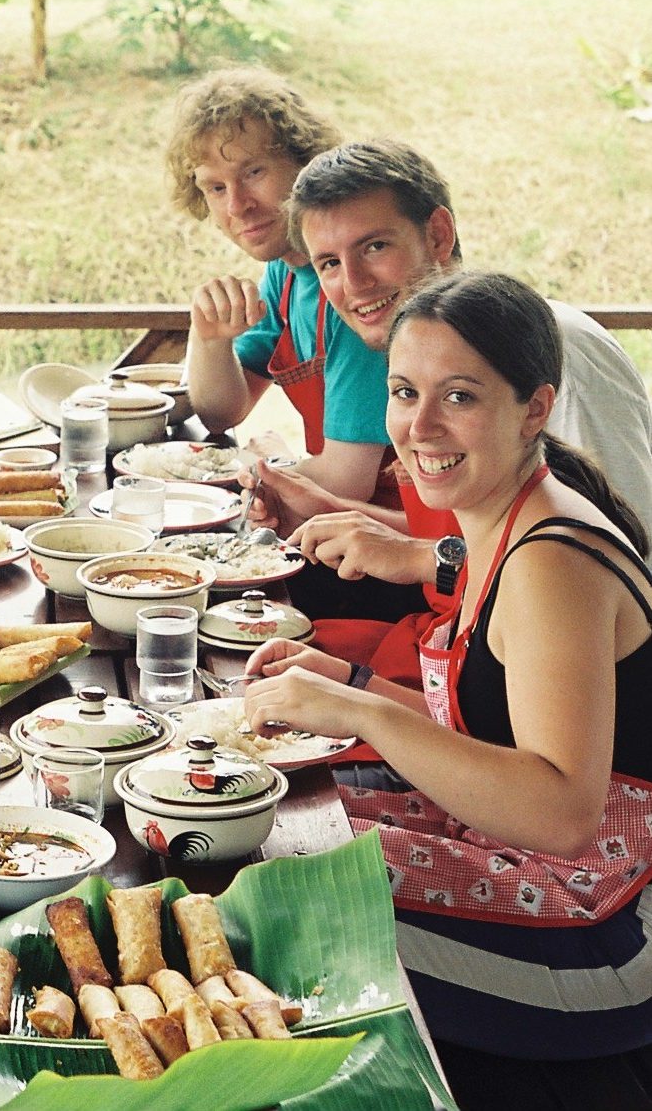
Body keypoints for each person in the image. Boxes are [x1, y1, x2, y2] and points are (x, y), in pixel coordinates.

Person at [242, 272, 652, 1085]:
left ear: (533, 408)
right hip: (535, 861)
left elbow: (562, 810)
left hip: (601, 933)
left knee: (280, 914)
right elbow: (487, 726)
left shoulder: (551, 562)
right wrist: (353, 682)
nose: (417, 426)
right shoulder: (507, 517)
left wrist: (360, 707)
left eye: (458, 396)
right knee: (272, 821)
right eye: (402, 391)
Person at [253, 139, 652, 682]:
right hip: (457, 640)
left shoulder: (558, 349)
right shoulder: (421, 352)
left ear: (438, 234)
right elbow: (485, 533)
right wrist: (326, 507)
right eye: (329, 263)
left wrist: (423, 559)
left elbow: (616, 564)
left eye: (373, 247)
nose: (352, 284)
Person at [166, 67, 420, 621]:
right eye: (214, 187)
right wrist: (207, 337)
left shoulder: (358, 299)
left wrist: (258, 470)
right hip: (344, 538)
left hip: (396, 564)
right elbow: (221, 409)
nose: (237, 204)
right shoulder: (287, 275)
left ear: (305, 166)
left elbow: (347, 477)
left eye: (253, 172)